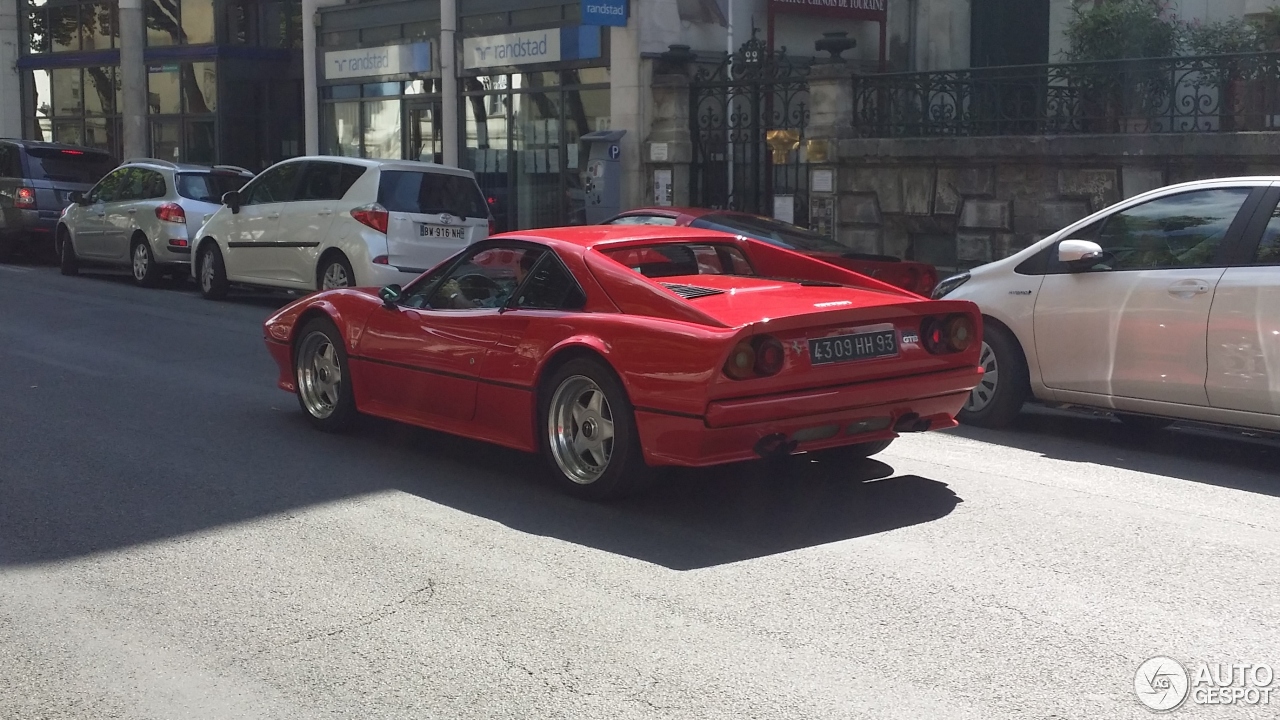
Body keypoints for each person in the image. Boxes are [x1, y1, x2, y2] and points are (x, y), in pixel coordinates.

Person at [438, 250, 540, 309]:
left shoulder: (521, 299)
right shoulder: (543, 296)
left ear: (525, 272)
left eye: (517, 263)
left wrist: (455, 294)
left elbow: (478, 314)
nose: (514, 267)